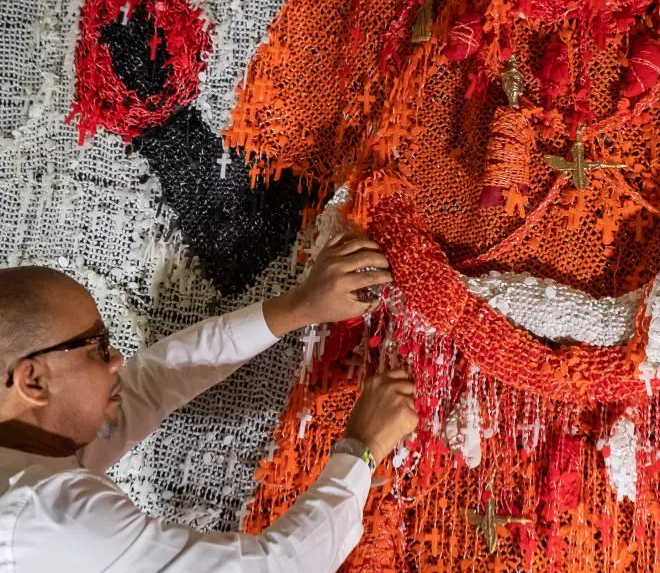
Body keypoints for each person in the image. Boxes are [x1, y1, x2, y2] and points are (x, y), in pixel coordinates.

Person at [0, 234, 418, 572]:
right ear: (33, 381)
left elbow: (152, 382)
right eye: (97, 347)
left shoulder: (26, 448)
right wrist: (362, 448)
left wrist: (300, 306)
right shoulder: (47, 518)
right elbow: (277, 567)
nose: (117, 361)